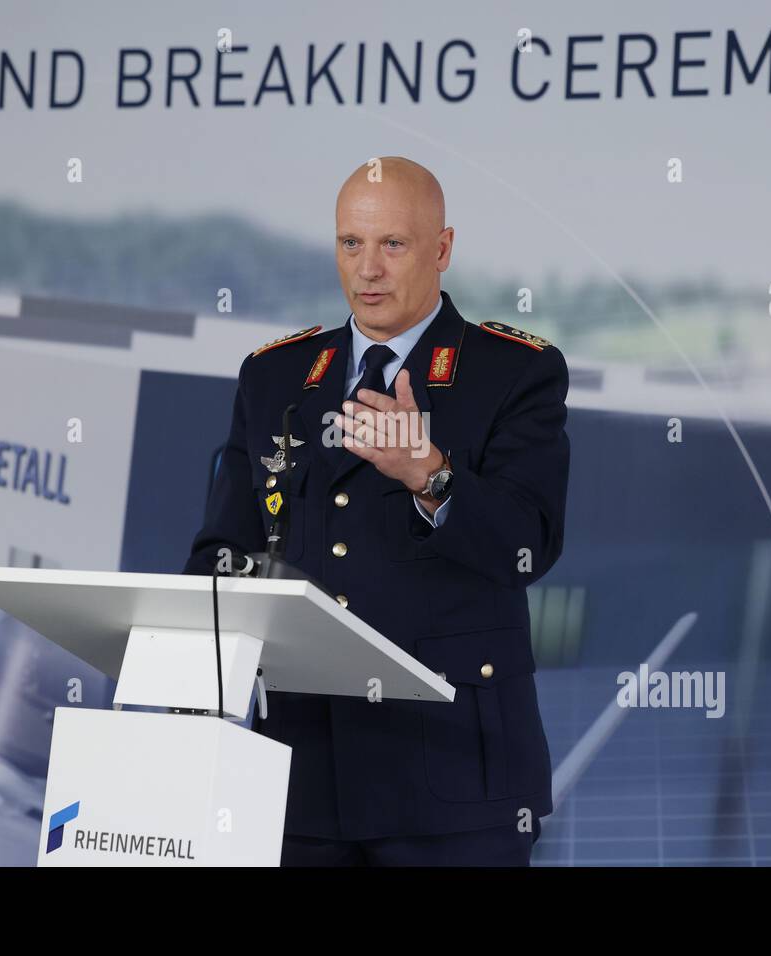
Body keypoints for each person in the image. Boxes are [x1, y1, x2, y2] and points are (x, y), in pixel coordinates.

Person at [184, 156, 570, 865]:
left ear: (442, 249)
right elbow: (221, 552)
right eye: (350, 244)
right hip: (299, 775)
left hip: (453, 781)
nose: (369, 270)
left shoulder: (511, 371)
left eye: (393, 245)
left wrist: (431, 475)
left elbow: (528, 544)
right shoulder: (276, 376)